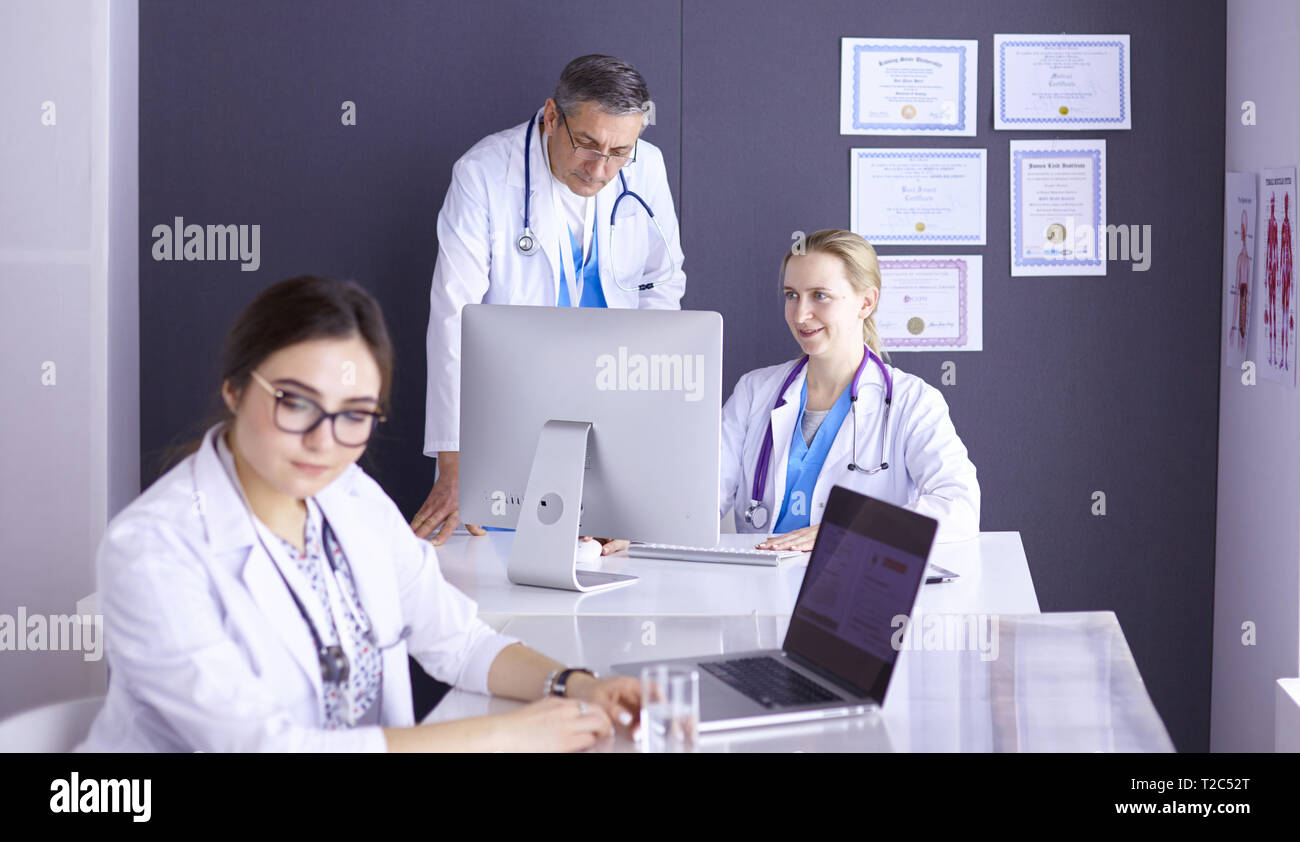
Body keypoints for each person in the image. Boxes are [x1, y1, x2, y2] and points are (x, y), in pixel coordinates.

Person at [77, 276, 639, 752]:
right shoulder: (152, 548)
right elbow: (262, 747)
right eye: (296, 402)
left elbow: (459, 643)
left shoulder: (352, 497)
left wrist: (575, 686)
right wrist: (500, 737)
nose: (325, 441)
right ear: (234, 388)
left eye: (355, 414)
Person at [415, 54, 686, 548]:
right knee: (500, 561)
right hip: (509, 407)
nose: (600, 168)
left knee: (608, 567)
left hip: (610, 403)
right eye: (586, 143)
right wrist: (455, 457)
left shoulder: (647, 168)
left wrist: (646, 427)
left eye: (620, 151)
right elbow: (455, 316)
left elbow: (662, 287)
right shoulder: (483, 175)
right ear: (551, 116)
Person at [719, 230, 979, 551]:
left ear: (866, 302)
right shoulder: (753, 392)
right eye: (791, 295)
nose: (800, 315)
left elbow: (959, 507)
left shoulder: (912, 401)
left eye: (820, 295)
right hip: (758, 583)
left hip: (853, 585)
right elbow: (701, 499)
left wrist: (853, 529)